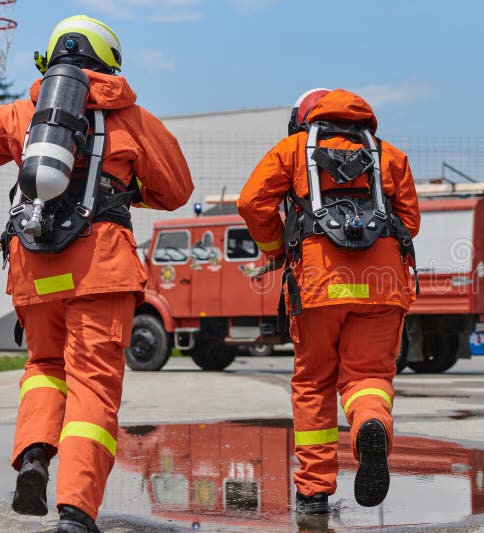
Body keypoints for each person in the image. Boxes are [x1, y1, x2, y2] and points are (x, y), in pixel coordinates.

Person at [0, 15, 193, 533]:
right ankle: (76, 511)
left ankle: (35, 456)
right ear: (108, 61)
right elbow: (176, 190)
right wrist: (127, 184)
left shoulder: (24, 112)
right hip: (101, 267)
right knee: (92, 387)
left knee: (43, 365)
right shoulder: (132, 118)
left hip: (35, 267)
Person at [238, 88, 420, 515]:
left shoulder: (292, 150)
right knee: (370, 377)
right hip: (382, 285)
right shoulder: (389, 155)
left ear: (303, 117)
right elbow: (409, 222)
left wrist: (276, 248)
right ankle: (368, 426)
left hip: (318, 284)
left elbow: (251, 202)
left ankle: (314, 491)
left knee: (314, 384)